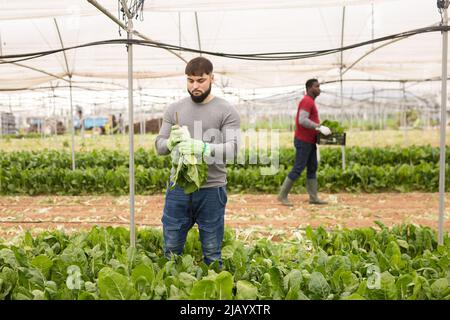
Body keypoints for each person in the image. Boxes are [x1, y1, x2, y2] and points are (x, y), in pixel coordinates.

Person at [155, 57, 241, 266]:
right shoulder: (174, 110)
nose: (195, 86)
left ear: (212, 78)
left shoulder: (226, 110)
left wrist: (202, 148)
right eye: (190, 80)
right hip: (179, 188)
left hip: (211, 189)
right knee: (171, 249)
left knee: (212, 251)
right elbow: (159, 147)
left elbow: (233, 150)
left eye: (201, 80)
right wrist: (170, 142)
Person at [277, 78, 331, 206]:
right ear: (309, 88)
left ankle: (313, 197)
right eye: (317, 86)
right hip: (303, 140)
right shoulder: (307, 101)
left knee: (312, 167)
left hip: (310, 141)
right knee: (298, 167)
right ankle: (282, 195)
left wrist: (318, 129)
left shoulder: (310, 101)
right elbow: (302, 120)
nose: (319, 89)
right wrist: (318, 127)